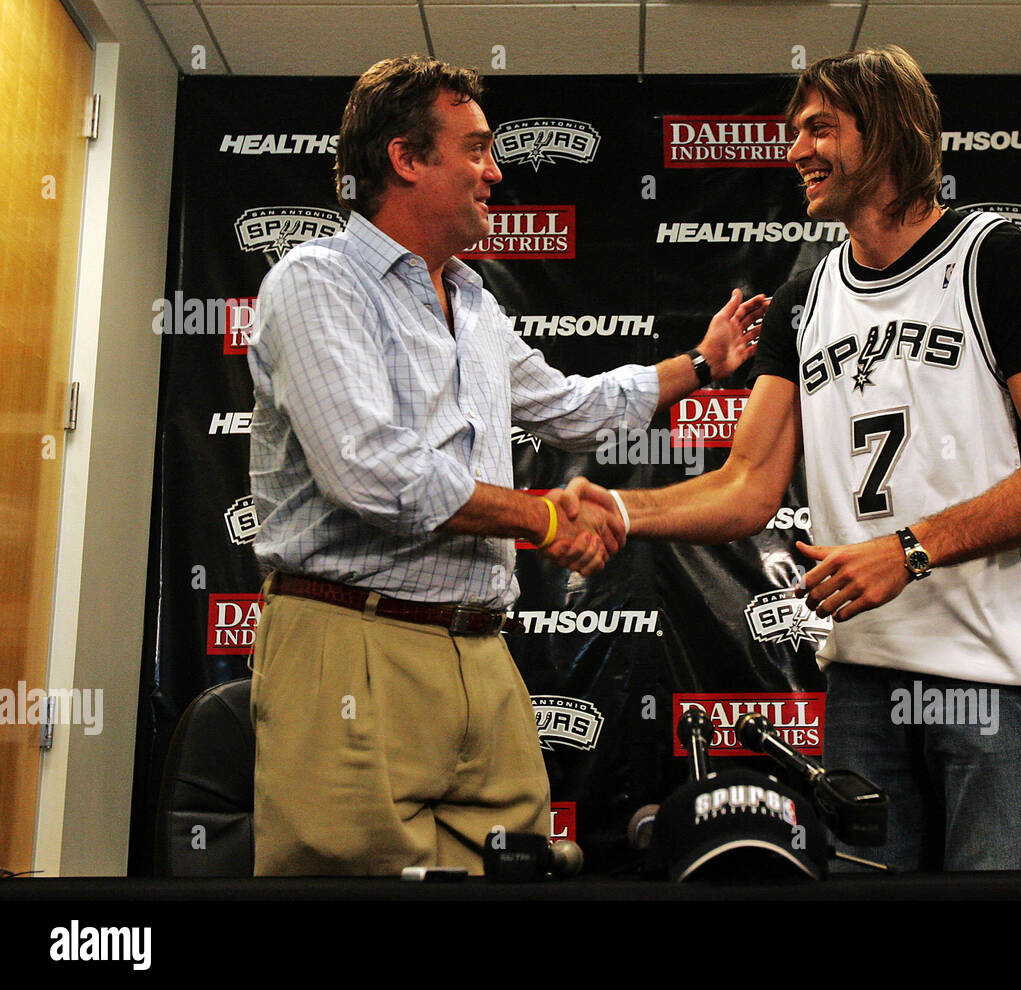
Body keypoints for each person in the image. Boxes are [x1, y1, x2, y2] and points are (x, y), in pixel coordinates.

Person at [584, 46, 1021, 870]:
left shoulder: (997, 260)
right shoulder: (804, 299)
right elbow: (748, 484)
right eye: (794, 131)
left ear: (893, 132)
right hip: (866, 685)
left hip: (1002, 682)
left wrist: (912, 550)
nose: (795, 151)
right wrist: (620, 509)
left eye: (821, 128)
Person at [245, 55, 765, 876]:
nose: (496, 171)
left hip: (483, 656)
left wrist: (699, 363)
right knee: (352, 886)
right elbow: (372, 472)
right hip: (352, 642)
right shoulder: (316, 283)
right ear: (407, 159)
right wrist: (544, 518)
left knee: (513, 875)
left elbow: (574, 407)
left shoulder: (477, 303)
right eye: (477, 150)